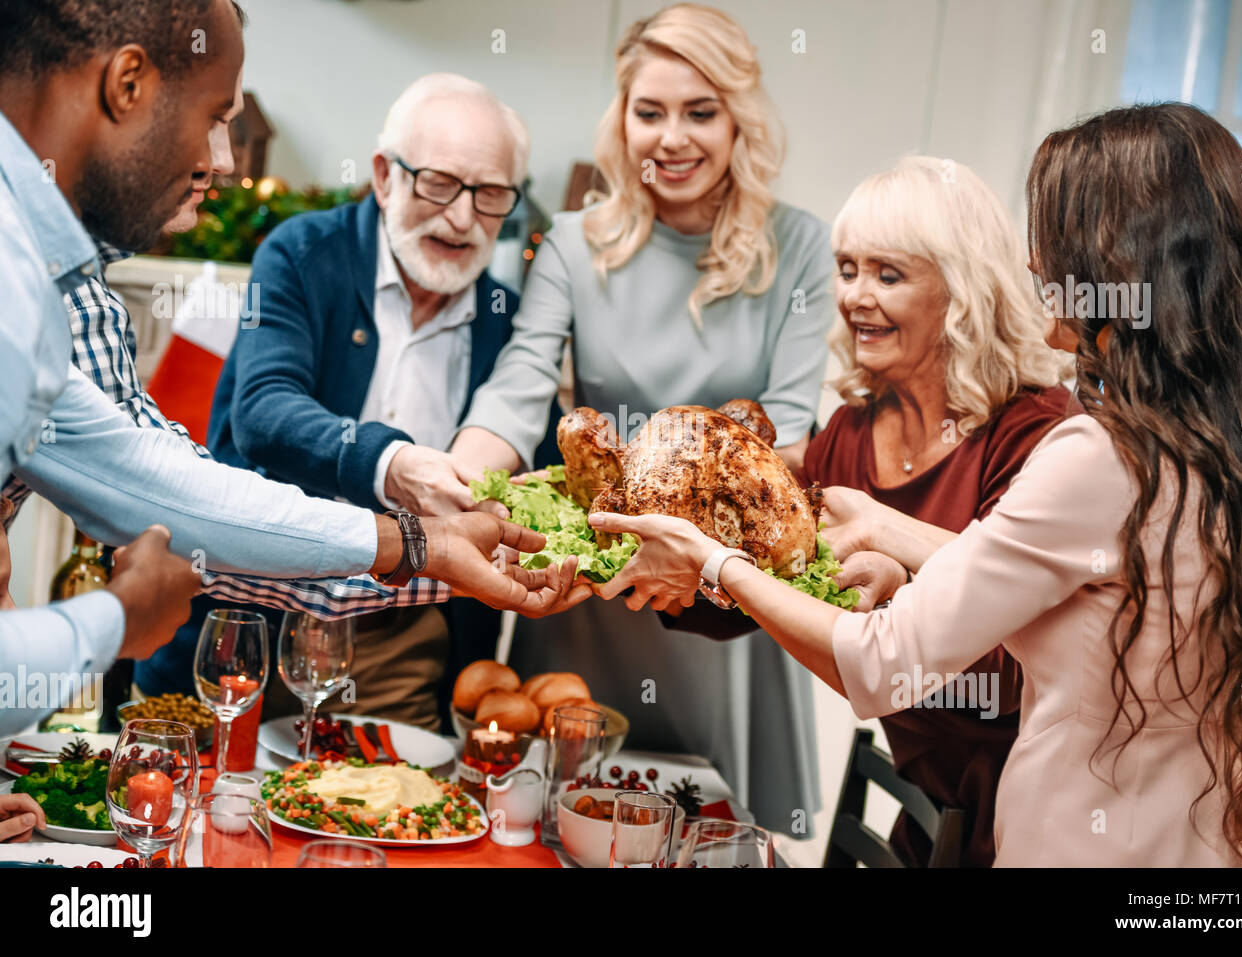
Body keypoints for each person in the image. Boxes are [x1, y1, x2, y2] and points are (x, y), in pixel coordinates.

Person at [590, 103, 1242, 867]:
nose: (1033, 260)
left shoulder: (1097, 453)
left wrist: (710, 559)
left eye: (1052, 236)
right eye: (849, 268)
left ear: (1116, 266)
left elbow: (887, 660)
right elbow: (1076, 590)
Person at [0, 0, 579, 736]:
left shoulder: (54, 272)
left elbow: (153, 480)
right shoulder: (22, 276)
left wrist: (422, 543)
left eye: (491, 195)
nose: (223, 160)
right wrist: (110, 623)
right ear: (128, 84)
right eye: (215, 115)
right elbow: (237, 434)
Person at [440, 3, 835, 830]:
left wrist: (699, 556)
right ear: (621, 119)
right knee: (565, 825)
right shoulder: (575, 243)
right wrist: (452, 485)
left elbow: (789, 439)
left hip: (728, 601)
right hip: (594, 605)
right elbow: (518, 391)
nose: (672, 137)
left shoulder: (798, 247)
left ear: (740, 120)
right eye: (649, 111)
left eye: (701, 111)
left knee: (706, 831)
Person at [176, 72, 567, 729]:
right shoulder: (304, 254)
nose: (464, 217)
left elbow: (540, 470)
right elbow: (263, 410)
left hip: (410, 635)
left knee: (393, 807)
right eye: (439, 183)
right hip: (265, 610)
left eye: (492, 194)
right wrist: (393, 464)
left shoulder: (507, 317)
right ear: (385, 175)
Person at [784, 155, 1072, 866]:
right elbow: (776, 578)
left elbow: (1007, 675)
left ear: (962, 290)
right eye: (848, 269)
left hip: (1029, 820)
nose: (856, 296)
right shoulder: (851, 432)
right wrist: (668, 557)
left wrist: (903, 584)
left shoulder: (1032, 431)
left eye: (889, 274)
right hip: (929, 814)